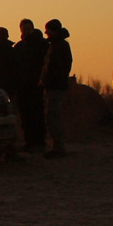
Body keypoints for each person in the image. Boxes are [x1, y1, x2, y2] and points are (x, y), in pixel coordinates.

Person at [11, 19, 48, 150]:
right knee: (26, 116)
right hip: (23, 86)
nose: (26, 31)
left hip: (37, 85)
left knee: (37, 114)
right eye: (24, 29)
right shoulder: (19, 47)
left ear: (32, 28)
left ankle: (40, 142)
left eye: (28, 29)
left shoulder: (43, 45)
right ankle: (29, 141)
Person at [42, 18, 74, 157]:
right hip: (54, 86)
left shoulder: (60, 46)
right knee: (52, 116)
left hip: (56, 86)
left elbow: (59, 68)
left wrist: (50, 80)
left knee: (52, 116)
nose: (46, 32)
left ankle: (58, 147)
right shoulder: (56, 45)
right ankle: (56, 145)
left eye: (48, 30)